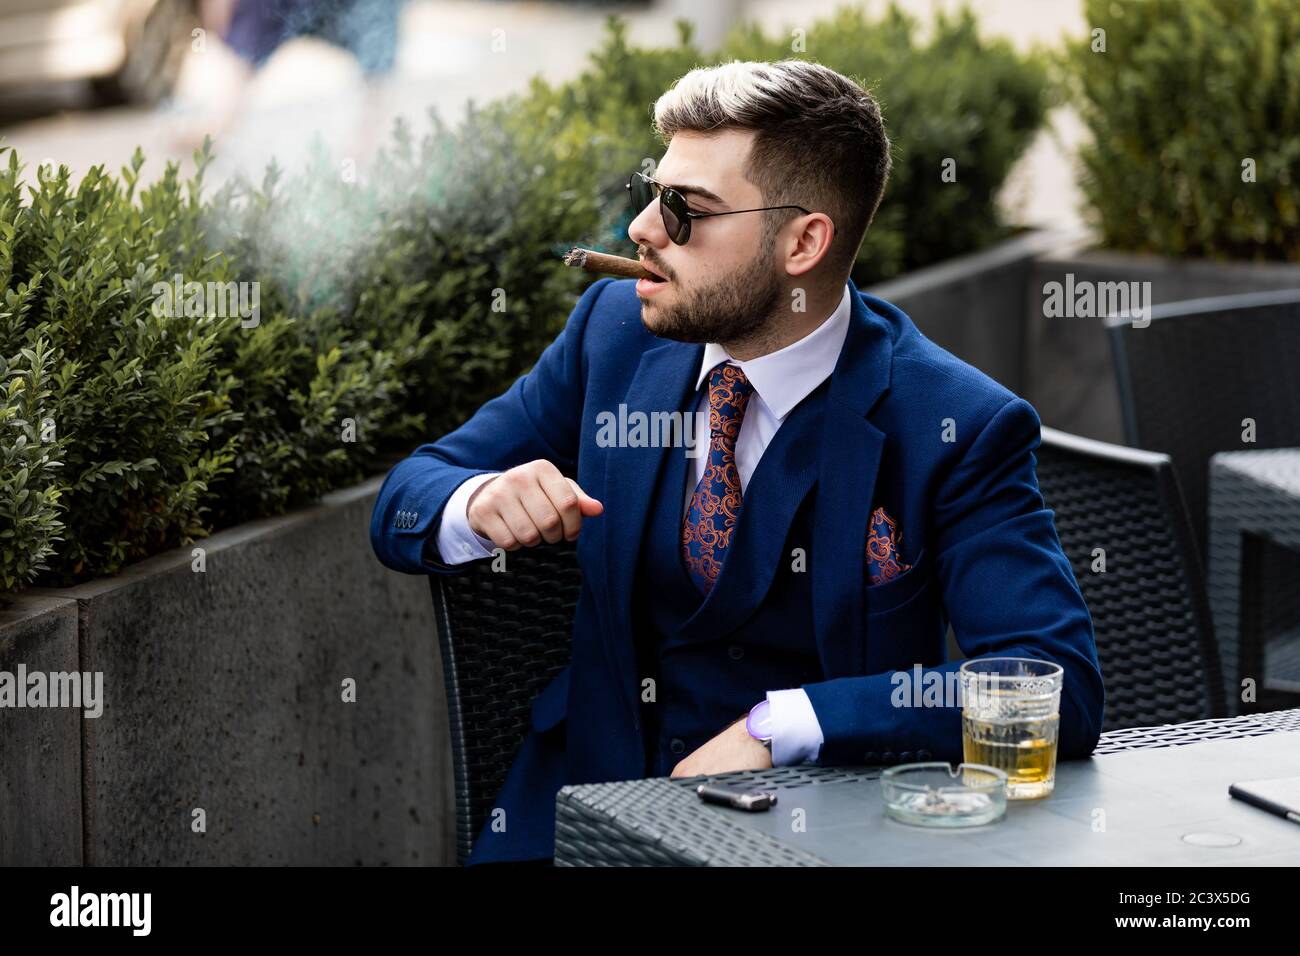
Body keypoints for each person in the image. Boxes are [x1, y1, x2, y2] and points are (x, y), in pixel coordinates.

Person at [370, 60, 1105, 866]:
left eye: (689, 212)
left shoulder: (957, 422)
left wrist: (785, 726)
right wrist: (476, 502)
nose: (644, 230)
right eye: (654, 194)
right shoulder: (611, 335)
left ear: (803, 242)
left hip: (820, 839)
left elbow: (1052, 685)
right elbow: (406, 499)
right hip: (578, 818)